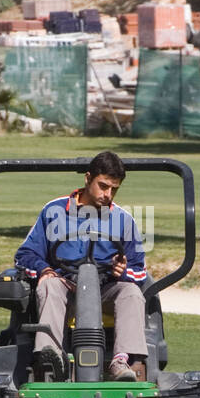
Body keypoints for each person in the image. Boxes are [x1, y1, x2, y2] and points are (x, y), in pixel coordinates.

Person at [15, 151, 148, 381]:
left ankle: (122, 362)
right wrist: (45, 270)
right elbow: (25, 254)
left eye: (114, 189)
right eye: (103, 186)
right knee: (49, 286)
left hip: (104, 289)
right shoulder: (54, 211)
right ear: (88, 179)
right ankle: (50, 360)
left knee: (132, 293)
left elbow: (140, 270)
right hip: (65, 287)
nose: (108, 195)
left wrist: (123, 271)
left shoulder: (123, 220)